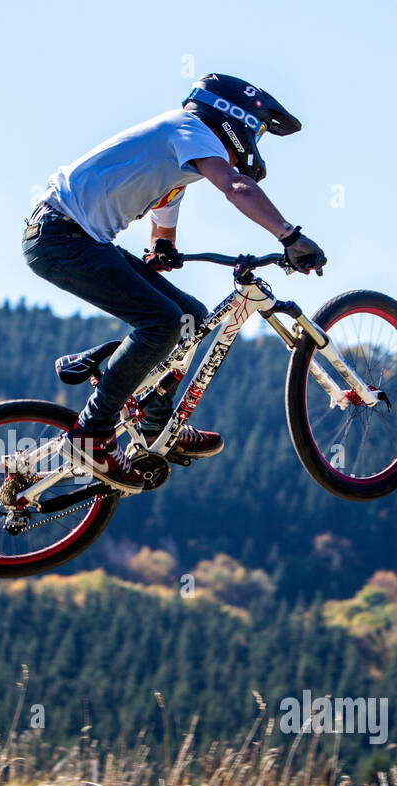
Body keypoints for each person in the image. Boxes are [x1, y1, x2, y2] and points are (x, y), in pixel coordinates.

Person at [24, 72, 328, 493]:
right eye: (256, 131)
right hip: (61, 237)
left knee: (190, 317)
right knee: (163, 324)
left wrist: (163, 249)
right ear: (233, 118)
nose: (253, 144)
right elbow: (237, 187)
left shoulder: (182, 152)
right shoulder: (191, 131)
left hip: (73, 236)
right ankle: (92, 434)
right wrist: (290, 236)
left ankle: (153, 422)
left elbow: (162, 222)